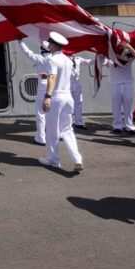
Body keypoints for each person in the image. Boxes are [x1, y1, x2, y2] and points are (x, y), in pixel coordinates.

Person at [40, 32, 84, 172]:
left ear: (53, 45)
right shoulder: (67, 60)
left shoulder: (52, 60)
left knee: (52, 130)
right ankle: (77, 159)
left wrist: (47, 96)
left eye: (50, 44)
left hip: (57, 97)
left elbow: (51, 78)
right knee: (67, 130)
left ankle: (53, 159)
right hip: (68, 97)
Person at [19, 39, 53, 145]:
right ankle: (55, 135)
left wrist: (20, 42)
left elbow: (28, 52)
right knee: (51, 113)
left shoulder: (39, 58)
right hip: (54, 86)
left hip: (43, 85)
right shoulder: (55, 59)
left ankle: (41, 138)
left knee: (41, 113)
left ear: (42, 49)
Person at [106, 56, 135, 134]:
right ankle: (117, 126)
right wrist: (100, 55)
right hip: (115, 83)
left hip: (127, 82)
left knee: (128, 105)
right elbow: (103, 62)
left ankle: (129, 126)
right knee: (116, 106)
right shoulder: (109, 57)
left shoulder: (129, 57)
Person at [71, 54, 93, 129]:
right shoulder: (63, 58)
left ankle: (78, 122)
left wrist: (98, 58)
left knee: (79, 103)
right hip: (67, 83)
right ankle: (68, 123)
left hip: (77, 83)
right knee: (68, 104)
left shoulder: (78, 58)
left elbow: (88, 62)